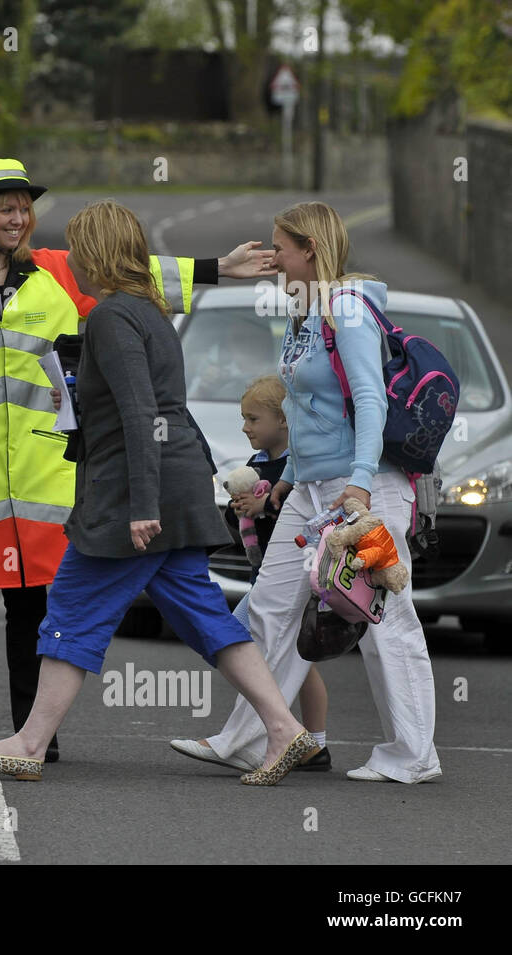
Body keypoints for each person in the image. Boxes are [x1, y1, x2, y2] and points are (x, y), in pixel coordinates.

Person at [0, 158, 276, 763]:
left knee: (34, 598)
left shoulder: (60, 270)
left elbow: (135, 275)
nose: (18, 218)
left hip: (43, 469)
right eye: (6, 209)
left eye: (24, 208)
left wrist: (220, 268)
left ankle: (35, 733)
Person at [0, 200, 315, 785]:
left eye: (77, 246)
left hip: (131, 493)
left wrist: (143, 506)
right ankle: (284, 729)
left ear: (96, 253)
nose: (69, 257)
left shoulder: (111, 317)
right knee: (205, 617)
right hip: (171, 482)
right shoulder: (148, 311)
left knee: (70, 607)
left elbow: (141, 413)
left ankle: (28, 743)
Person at [172, 201, 441, 783]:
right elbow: (309, 409)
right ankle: (247, 738)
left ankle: (414, 755)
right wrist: (284, 483)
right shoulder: (306, 312)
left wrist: (361, 486)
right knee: (269, 609)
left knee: (385, 620)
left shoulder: (346, 309)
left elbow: (370, 400)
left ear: (310, 249)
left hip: (362, 493)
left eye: (280, 246)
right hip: (311, 490)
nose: (272, 257)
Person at [171, 375, 331, 770]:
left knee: (237, 640)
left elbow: (307, 512)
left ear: (283, 420)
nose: (245, 428)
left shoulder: (297, 467)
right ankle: (310, 744)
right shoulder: (256, 464)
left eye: (253, 419)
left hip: (296, 573)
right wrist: (239, 508)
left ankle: (290, 737)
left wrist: (266, 507)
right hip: (264, 572)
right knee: (296, 661)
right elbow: (243, 511)